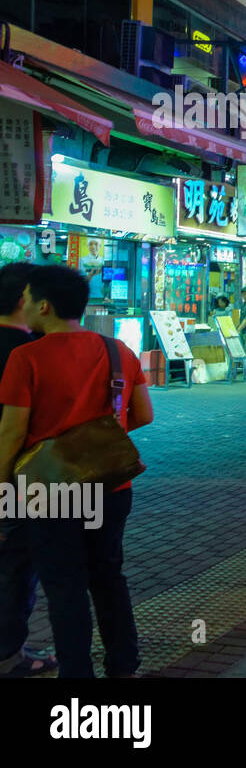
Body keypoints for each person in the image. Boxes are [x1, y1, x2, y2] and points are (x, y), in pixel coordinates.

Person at [0, 264, 154, 678]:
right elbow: (143, 414)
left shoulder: (25, 356)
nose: (25, 306)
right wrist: (97, 439)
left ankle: (76, 672)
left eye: (29, 299)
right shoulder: (117, 350)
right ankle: (123, 665)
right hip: (110, 484)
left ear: (44, 306)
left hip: (50, 493)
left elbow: (12, 432)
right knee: (108, 576)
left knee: (64, 586)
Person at [0, 262, 55, 678]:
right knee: (16, 569)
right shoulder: (30, 353)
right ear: (25, 301)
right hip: (19, 481)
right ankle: (9, 654)